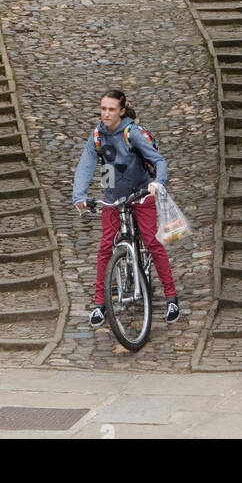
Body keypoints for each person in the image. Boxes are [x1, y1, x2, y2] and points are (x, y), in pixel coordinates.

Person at [73, 87, 180, 329]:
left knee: (152, 242)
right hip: (112, 196)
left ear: (121, 111)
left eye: (111, 109)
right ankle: (100, 304)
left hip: (142, 192)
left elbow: (158, 160)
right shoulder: (97, 136)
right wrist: (78, 195)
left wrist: (157, 183)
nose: (106, 114)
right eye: (103, 109)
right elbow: (85, 165)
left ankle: (172, 298)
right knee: (104, 247)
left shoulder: (132, 133)